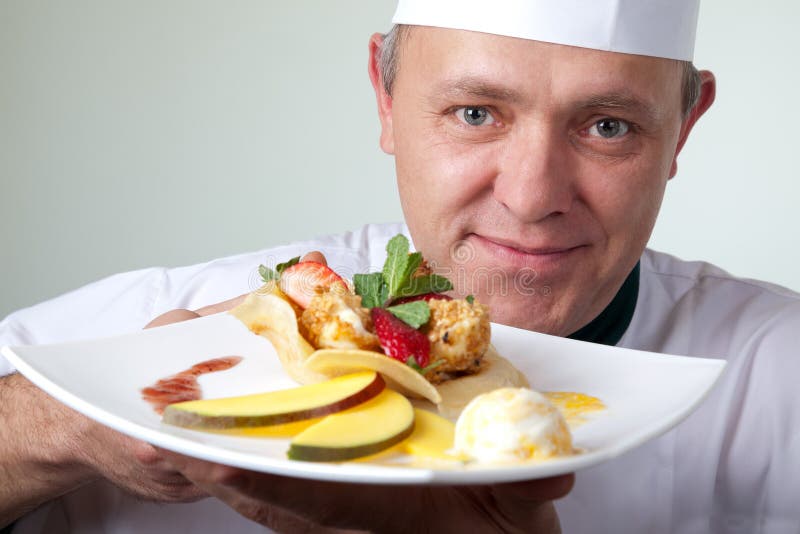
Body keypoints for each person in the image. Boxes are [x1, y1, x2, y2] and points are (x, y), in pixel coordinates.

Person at [2, 1, 800, 533]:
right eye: (476, 113)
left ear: (683, 131)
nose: (530, 198)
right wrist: (75, 423)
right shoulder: (173, 335)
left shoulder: (777, 374)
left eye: (608, 126)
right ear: (387, 101)